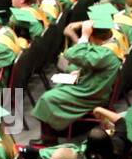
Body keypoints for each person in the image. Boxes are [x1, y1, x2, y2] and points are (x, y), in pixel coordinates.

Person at [31, 12, 122, 146]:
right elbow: (90, 62)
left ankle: (49, 139)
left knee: (48, 98)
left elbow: (72, 54)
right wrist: (80, 72)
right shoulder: (110, 46)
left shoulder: (106, 54)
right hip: (94, 85)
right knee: (59, 87)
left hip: (92, 93)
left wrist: (84, 35)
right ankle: (52, 131)